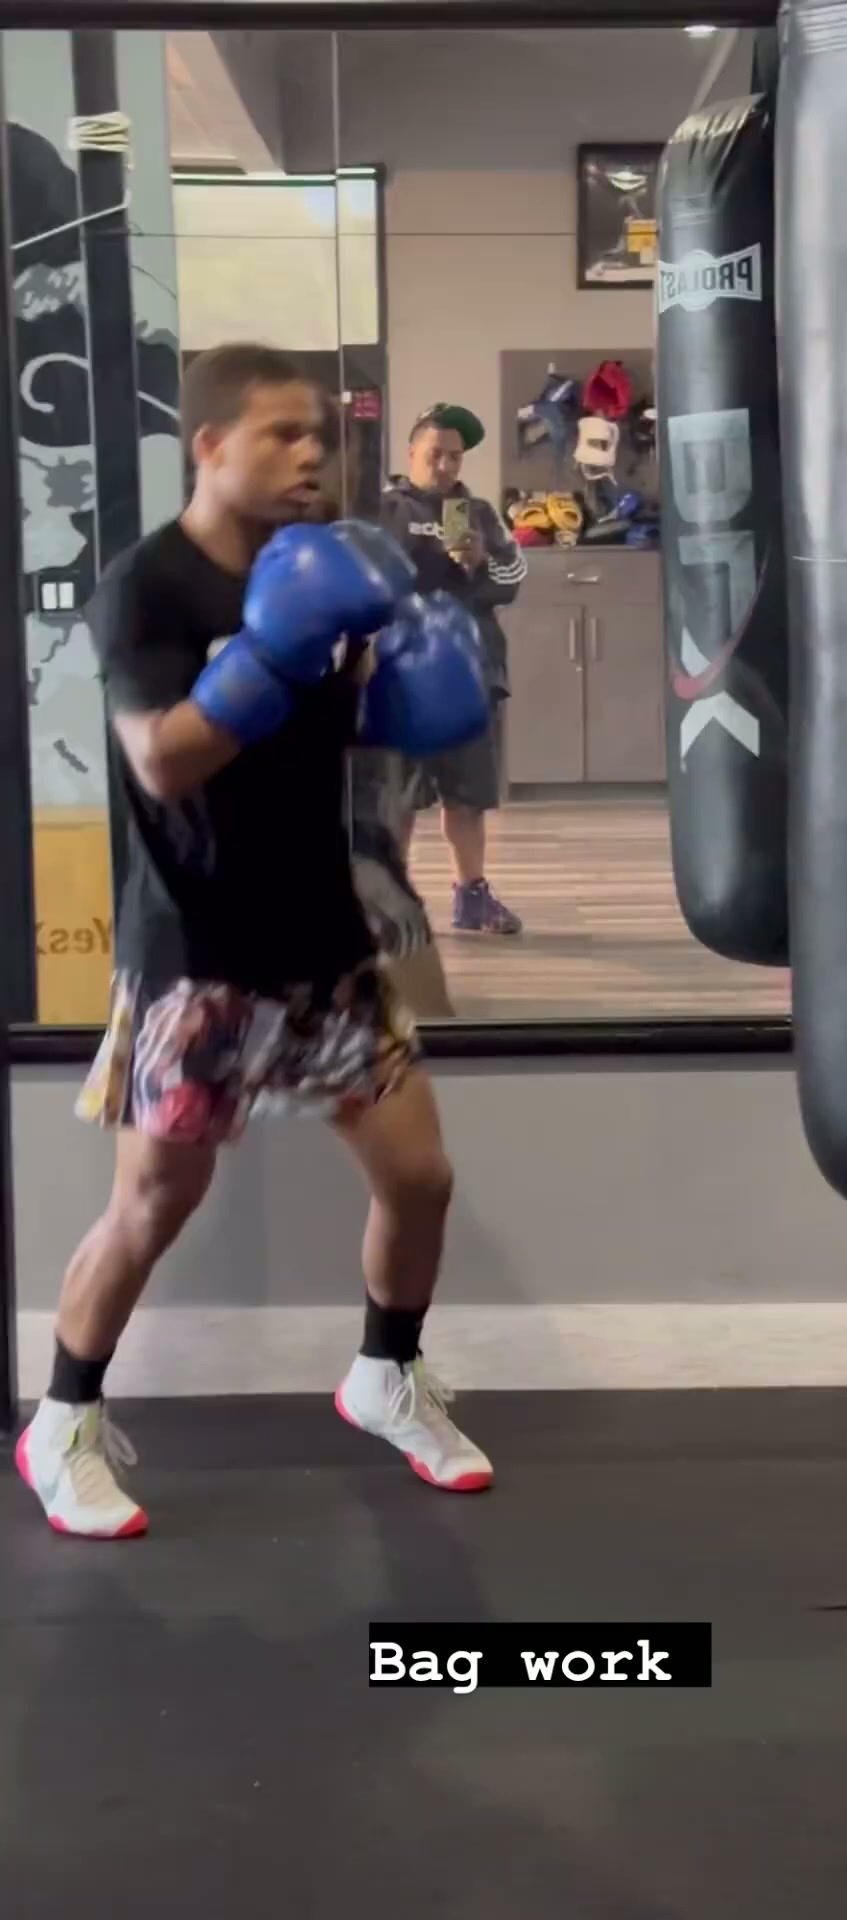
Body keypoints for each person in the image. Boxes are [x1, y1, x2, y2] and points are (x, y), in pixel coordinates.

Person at [15, 344, 493, 1541]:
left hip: (323, 936)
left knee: (420, 1178)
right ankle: (58, 1421)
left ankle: (386, 1374)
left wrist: (408, 691)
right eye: (283, 435)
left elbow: (358, 739)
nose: (312, 458)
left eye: (321, 438)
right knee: (153, 1201)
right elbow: (163, 758)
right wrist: (275, 651)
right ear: (212, 446)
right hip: (197, 946)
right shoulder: (151, 587)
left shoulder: (334, 572)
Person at [309, 399, 456, 1019]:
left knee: (395, 914)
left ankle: (439, 1051)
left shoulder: (359, 547)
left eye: (340, 453)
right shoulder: (215, 572)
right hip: (263, 823)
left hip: (353, 800)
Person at [381, 403, 525, 936]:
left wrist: (477, 561)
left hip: (470, 675)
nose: (445, 466)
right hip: (400, 678)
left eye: (455, 457)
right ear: (412, 452)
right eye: (435, 453)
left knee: (468, 796)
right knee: (398, 799)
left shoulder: (481, 513)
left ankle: (472, 897)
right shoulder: (381, 511)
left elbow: (512, 576)